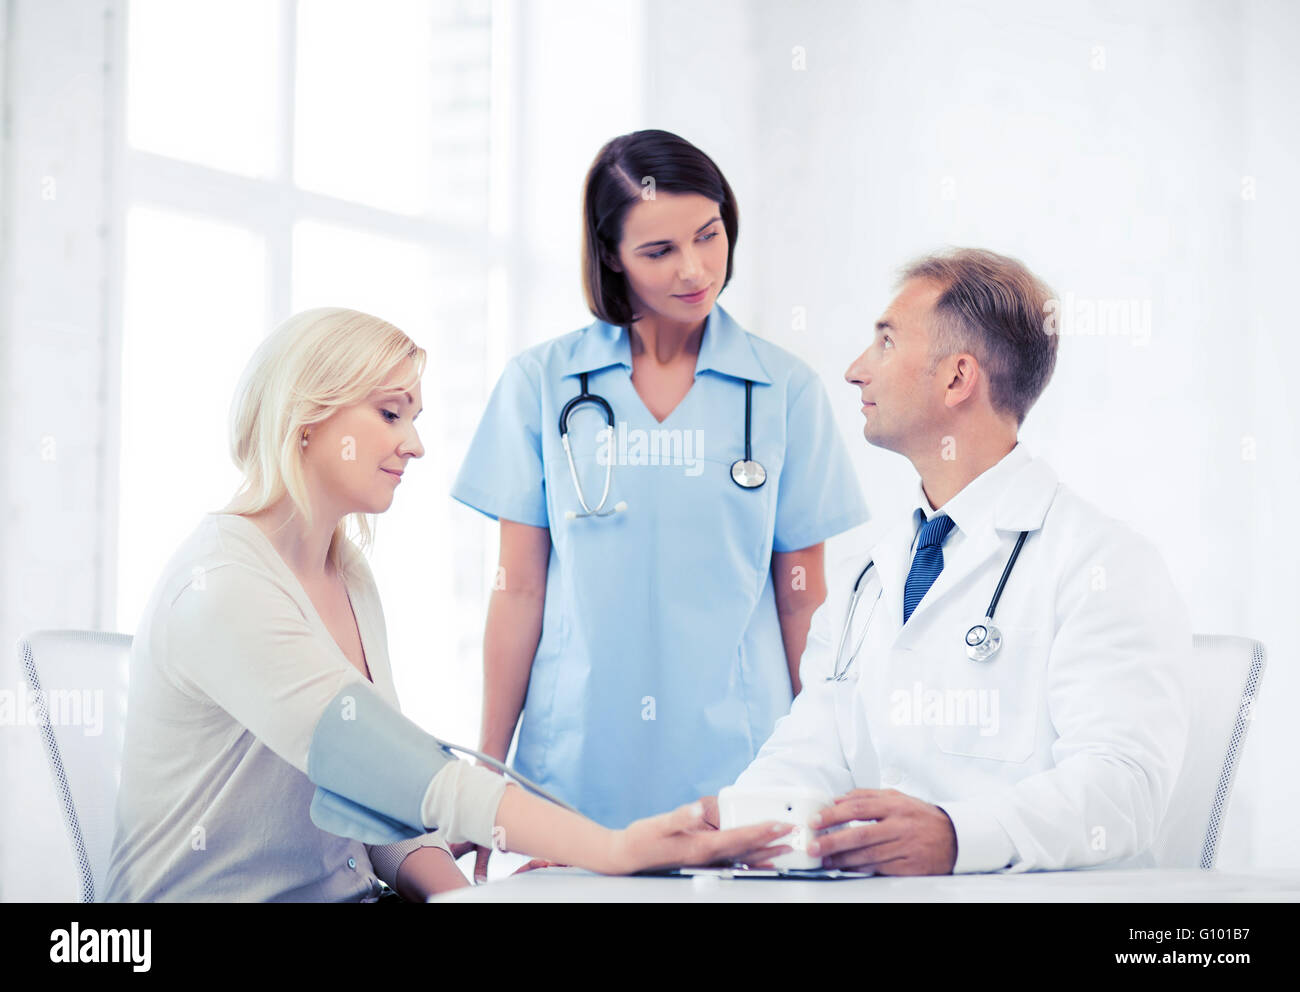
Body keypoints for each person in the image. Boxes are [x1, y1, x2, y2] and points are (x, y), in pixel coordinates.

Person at [105, 307, 792, 902]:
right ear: (306, 419)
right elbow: (396, 770)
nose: (416, 443)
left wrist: (469, 899)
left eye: (414, 416)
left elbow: (374, 809)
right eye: (389, 412)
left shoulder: (346, 569)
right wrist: (610, 848)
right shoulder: (223, 584)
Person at [451, 130, 869, 867]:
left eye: (709, 236)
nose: (695, 269)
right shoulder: (542, 385)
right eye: (659, 251)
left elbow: (803, 599)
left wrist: (832, 766)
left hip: (742, 772)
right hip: (574, 770)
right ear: (610, 254)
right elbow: (518, 589)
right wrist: (488, 774)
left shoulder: (786, 392)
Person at [727, 248, 1191, 874]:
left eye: (885, 343)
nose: (855, 371)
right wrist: (731, 826)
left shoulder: (1100, 562)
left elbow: (1123, 787)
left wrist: (956, 835)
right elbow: (809, 749)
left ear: (957, 378)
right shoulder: (872, 573)